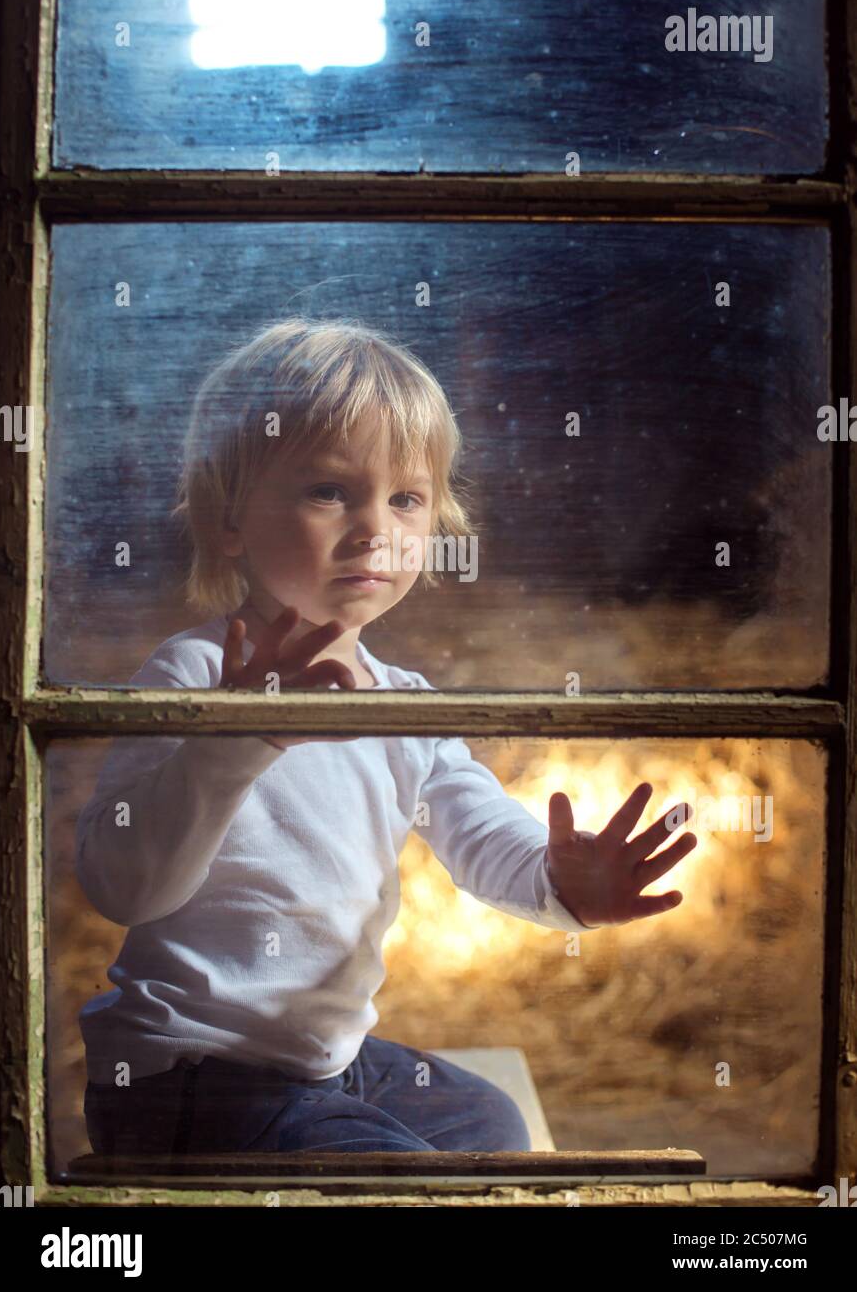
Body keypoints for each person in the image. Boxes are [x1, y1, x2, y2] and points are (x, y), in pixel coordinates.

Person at [77, 316, 697, 1156]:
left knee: (491, 1125)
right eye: (329, 492)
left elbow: (482, 832)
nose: (376, 527)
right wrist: (236, 741)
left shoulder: (405, 703)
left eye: (405, 498)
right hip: (188, 1074)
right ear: (228, 518)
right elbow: (121, 887)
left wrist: (558, 881)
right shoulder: (193, 673)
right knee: (396, 1177)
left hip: (324, 1063)